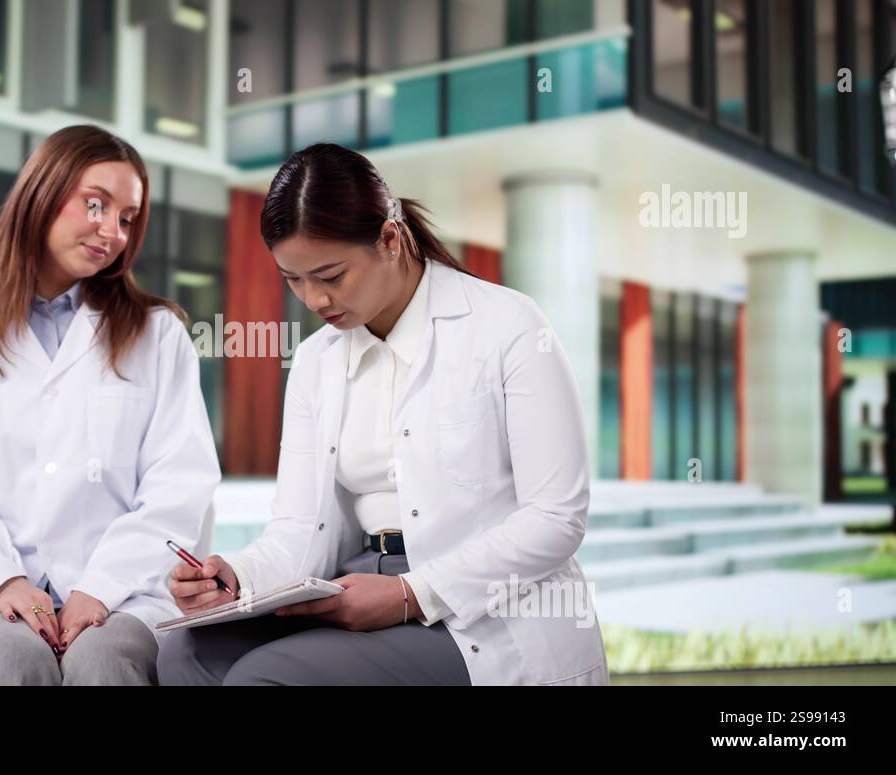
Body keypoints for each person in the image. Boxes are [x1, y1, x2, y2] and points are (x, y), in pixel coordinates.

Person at [158, 143, 608, 686]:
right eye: (293, 280)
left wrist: (408, 594)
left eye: (330, 275)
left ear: (389, 240)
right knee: (184, 655)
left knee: (266, 676)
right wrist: (237, 577)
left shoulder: (508, 326)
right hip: (352, 588)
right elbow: (300, 528)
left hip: (478, 610)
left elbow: (556, 518)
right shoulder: (317, 360)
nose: (314, 299)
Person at [0, 125, 220, 685]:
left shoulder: (159, 337)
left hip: (125, 595)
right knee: (7, 660)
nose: (112, 231)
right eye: (95, 204)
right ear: (42, 194)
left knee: (106, 661)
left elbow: (179, 487)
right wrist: (2, 581)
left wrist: (99, 587)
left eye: (127, 218)